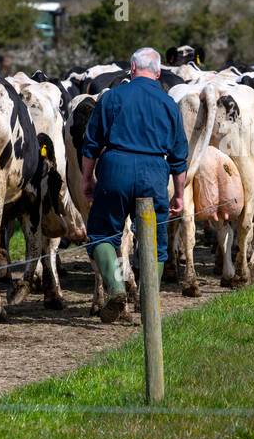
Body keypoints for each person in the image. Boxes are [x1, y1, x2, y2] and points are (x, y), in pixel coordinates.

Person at [80, 47, 188, 322]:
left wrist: (87, 180)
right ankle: (149, 303)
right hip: (154, 172)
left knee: (103, 234)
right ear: (159, 72)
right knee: (154, 242)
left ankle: (116, 287)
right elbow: (178, 157)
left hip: (116, 167)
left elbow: (91, 145)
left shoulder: (112, 97)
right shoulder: (168, 104)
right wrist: (179, 195)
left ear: (131, 68)